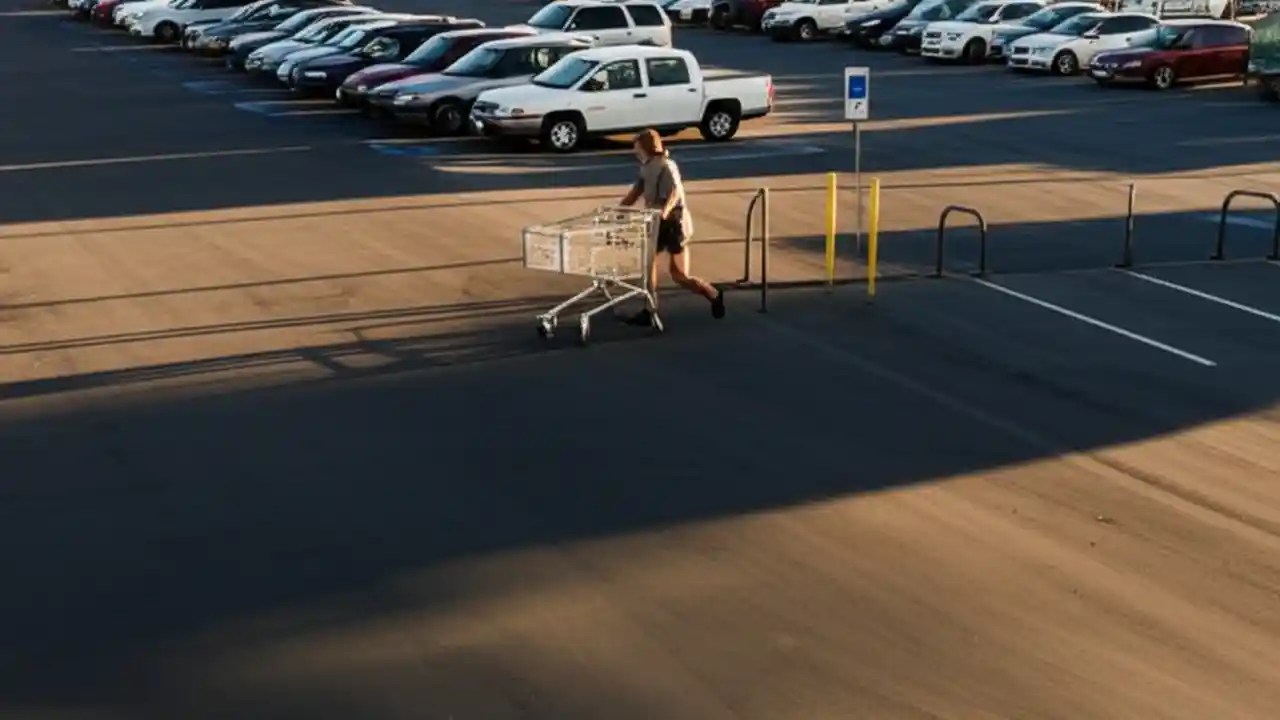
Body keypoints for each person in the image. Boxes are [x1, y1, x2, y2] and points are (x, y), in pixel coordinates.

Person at [619, 129, 725, 326]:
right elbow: (635, 193)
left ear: (647, 148)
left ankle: (713, 293)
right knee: (648, 265)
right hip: (655, 222)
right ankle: (650, 309)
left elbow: (675, 192)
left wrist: (665, 211)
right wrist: (618, 210)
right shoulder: (646, 168)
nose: (636, 154)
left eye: (638, 149)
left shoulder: (667, 166)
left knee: (679, 275)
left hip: (674, 224)